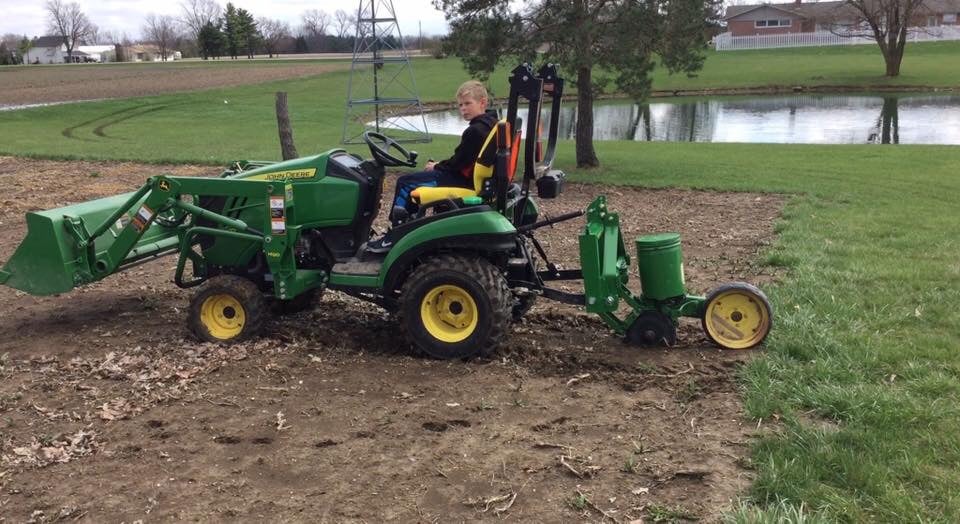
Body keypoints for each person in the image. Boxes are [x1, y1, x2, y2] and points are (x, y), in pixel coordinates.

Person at [367, 80, 498, 253]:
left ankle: (395, 236)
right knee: (415, 179)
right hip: (472, 178)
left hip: (463, 180)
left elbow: (456, 163)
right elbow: (461, 160)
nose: (463, 109)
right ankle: (409, 228)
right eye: (460, 105)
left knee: (406, 182)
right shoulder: (491, 124)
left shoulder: (475, 131)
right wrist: (440, 165)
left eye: (468, 104)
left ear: (482, 102)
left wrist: (436, 166)